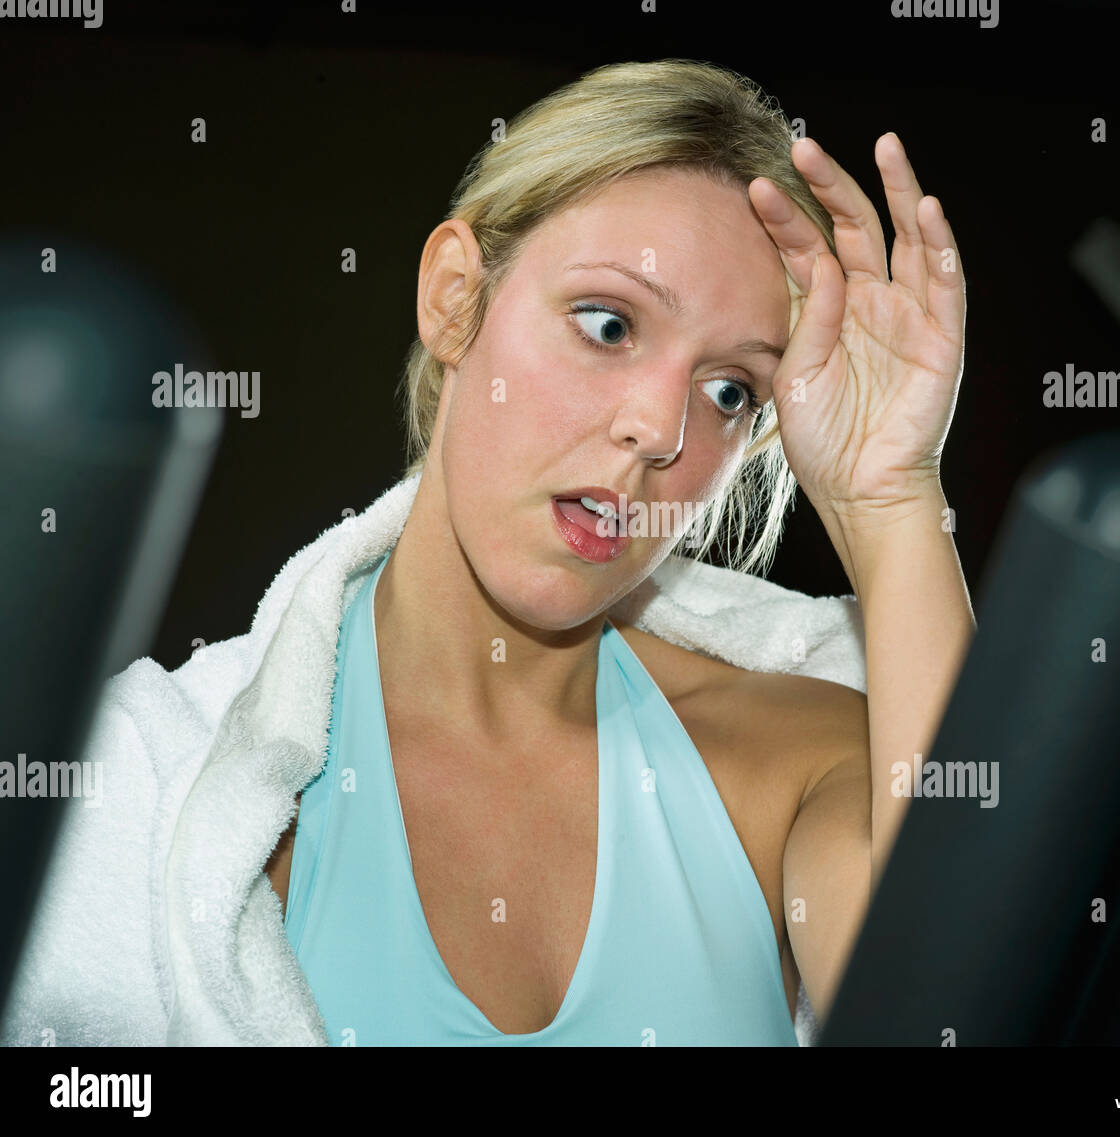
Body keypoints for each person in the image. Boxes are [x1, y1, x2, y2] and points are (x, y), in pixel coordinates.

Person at [2, 58, 974, 1048]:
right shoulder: (149, 798)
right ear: (455, 298)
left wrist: (889, 496)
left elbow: (971, 1002)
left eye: (730, 390)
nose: (658, 427)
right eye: (608, 325)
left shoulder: (795, 764)